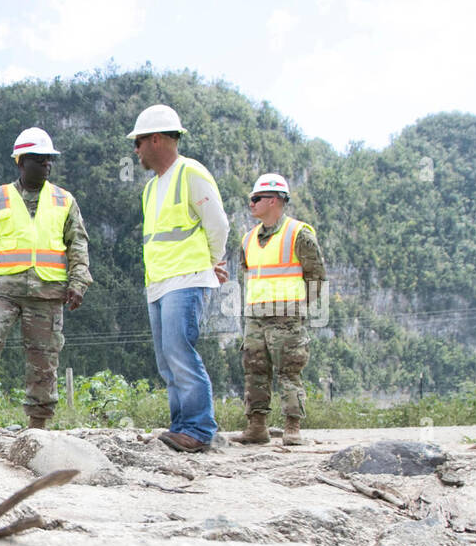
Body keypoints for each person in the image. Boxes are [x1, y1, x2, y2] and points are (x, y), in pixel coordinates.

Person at [0, 127, 91, 431]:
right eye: (39, 159)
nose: (46, 165)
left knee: (43, 356)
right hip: (4, 291)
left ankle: (37, 425)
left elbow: (78, 244)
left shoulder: (64, 201)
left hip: (48, 292)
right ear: (21, 161)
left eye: (49, 160)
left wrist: (79, 283)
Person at [128, 105, 229, 453]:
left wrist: (213, 262)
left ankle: (199, 429)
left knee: (179, 351)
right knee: (166, 359)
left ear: (156, 139)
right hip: (159, 283)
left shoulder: (191, 173)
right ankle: (181, 425)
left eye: (138, 142)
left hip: (186, 279)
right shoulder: (151, 188)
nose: (136, 151)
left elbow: (218, 224)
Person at [236, 173, 327, 446]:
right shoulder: (248, 239)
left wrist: (300, 309)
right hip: (255, 317)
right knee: (254, 372)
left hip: (287, 316)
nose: (251, 203)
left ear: (274, 200)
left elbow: (316, 275)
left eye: (256, 198)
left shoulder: (300, 234)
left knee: (289, 373)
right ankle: (257, 427)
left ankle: (292, 427)